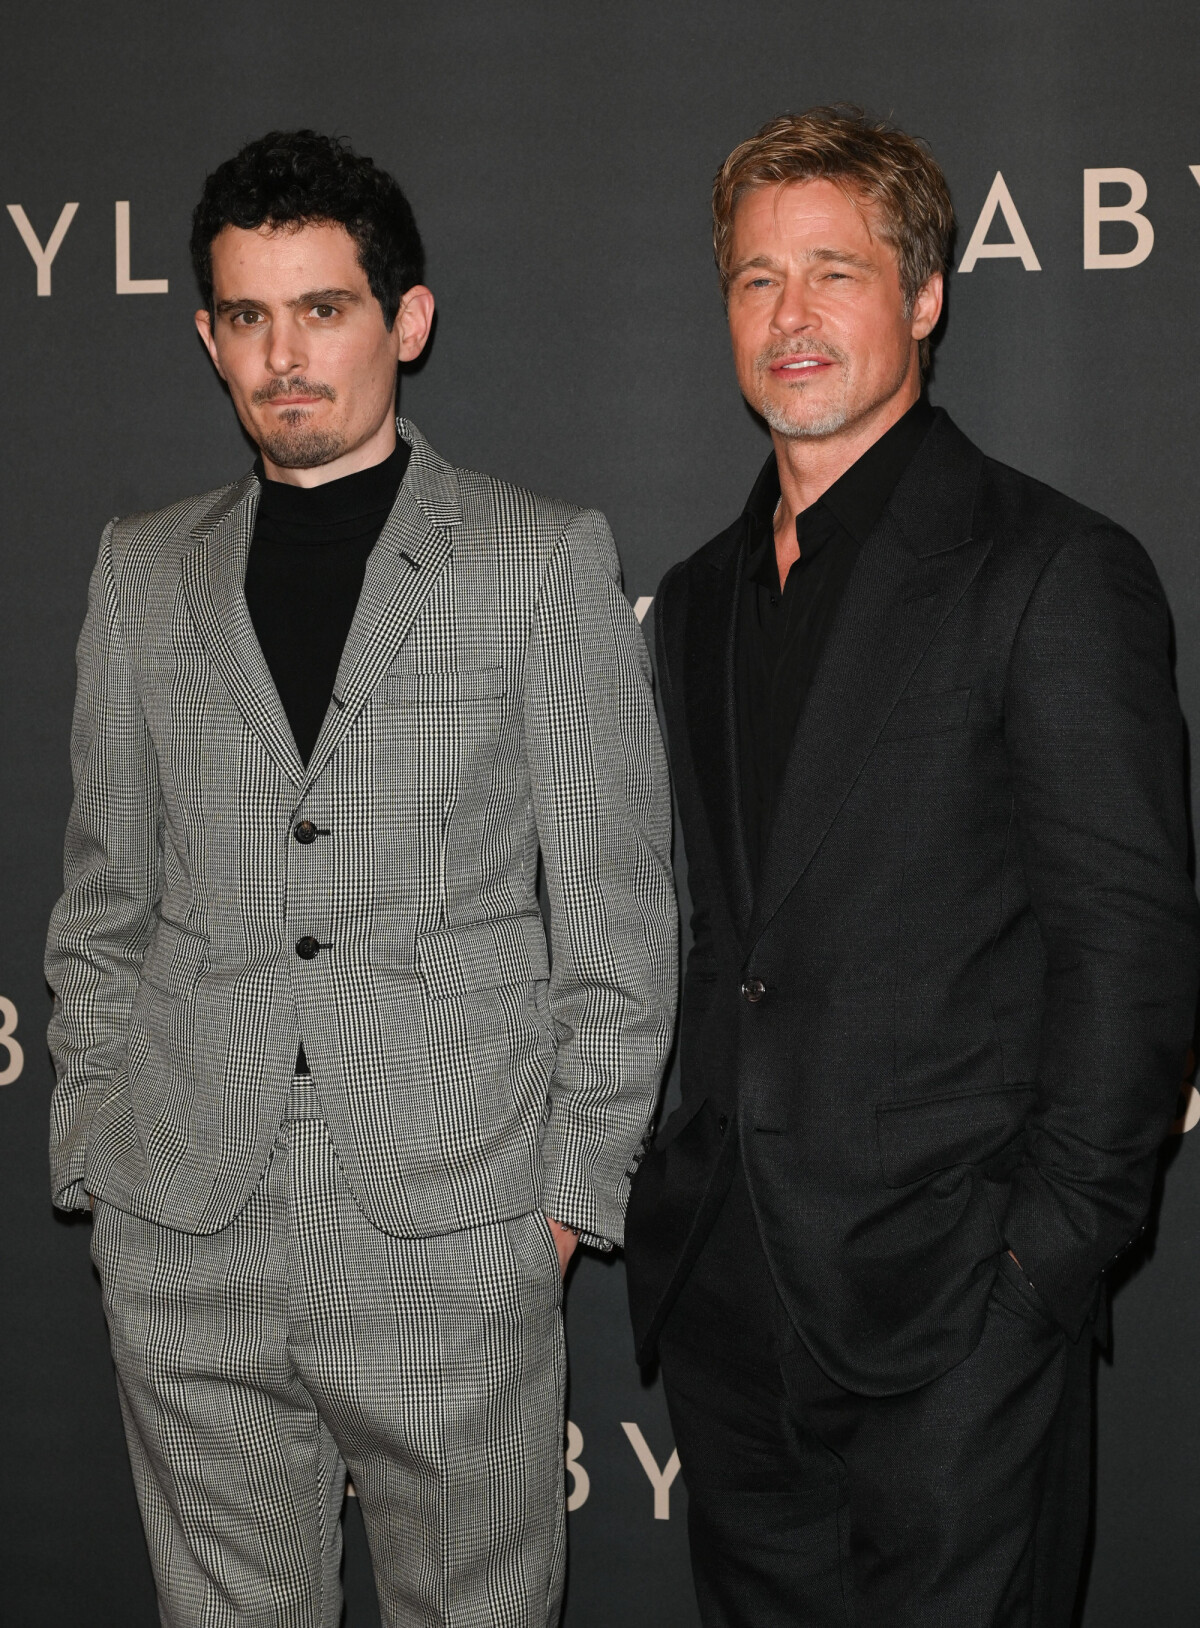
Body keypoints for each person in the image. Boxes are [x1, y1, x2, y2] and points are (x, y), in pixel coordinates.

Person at [46, 129, 677, 1628]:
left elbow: (617, 909)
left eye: (323, 310)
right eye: (248, 317)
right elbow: (103, 903)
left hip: (450, 1232)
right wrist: (99, 1152)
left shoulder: (536, 559)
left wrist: (560, 1204)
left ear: (407, 320)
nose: (285, 356)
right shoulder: (141, 571)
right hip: (186, 1227)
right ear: (208, 336)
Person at [624, 107, 1200, 1626]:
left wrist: (1038, 1276)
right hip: (732, 1310)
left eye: (835, 272)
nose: (790, 317)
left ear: (927, 295)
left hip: (956, 1317)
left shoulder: (1051, 569)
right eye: (757, 279)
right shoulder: (695, 598)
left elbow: (1129, 954)